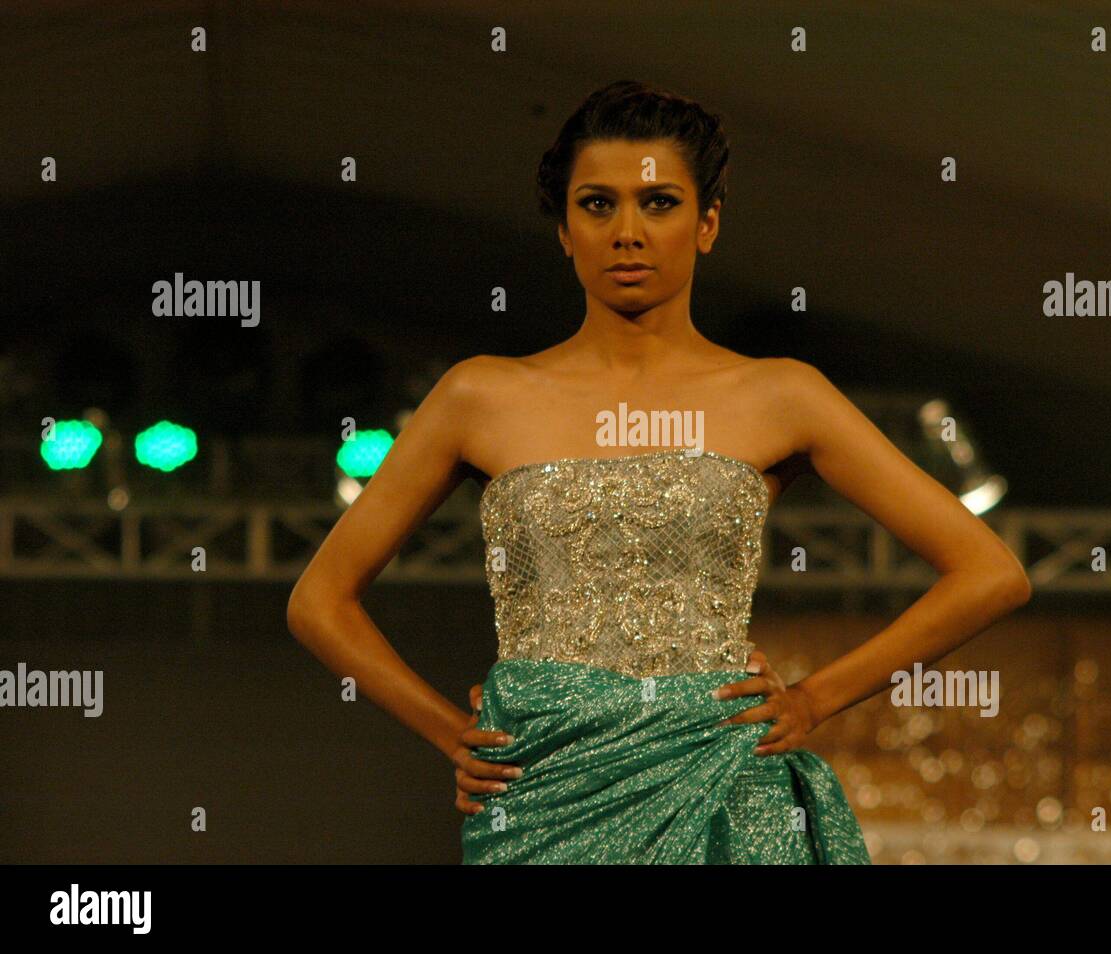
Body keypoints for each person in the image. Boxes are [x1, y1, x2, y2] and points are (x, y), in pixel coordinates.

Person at [286, 80, 1032, 864]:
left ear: (707, 224)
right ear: (564, 232)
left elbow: (990, 572)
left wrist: (815, 699)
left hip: (726, 788)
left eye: (660, 203)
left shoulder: (781, 394)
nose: (628, 232)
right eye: (598, 205)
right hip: (544, 792)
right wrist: (453, 734)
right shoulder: (480, 395)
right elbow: (319, 600)